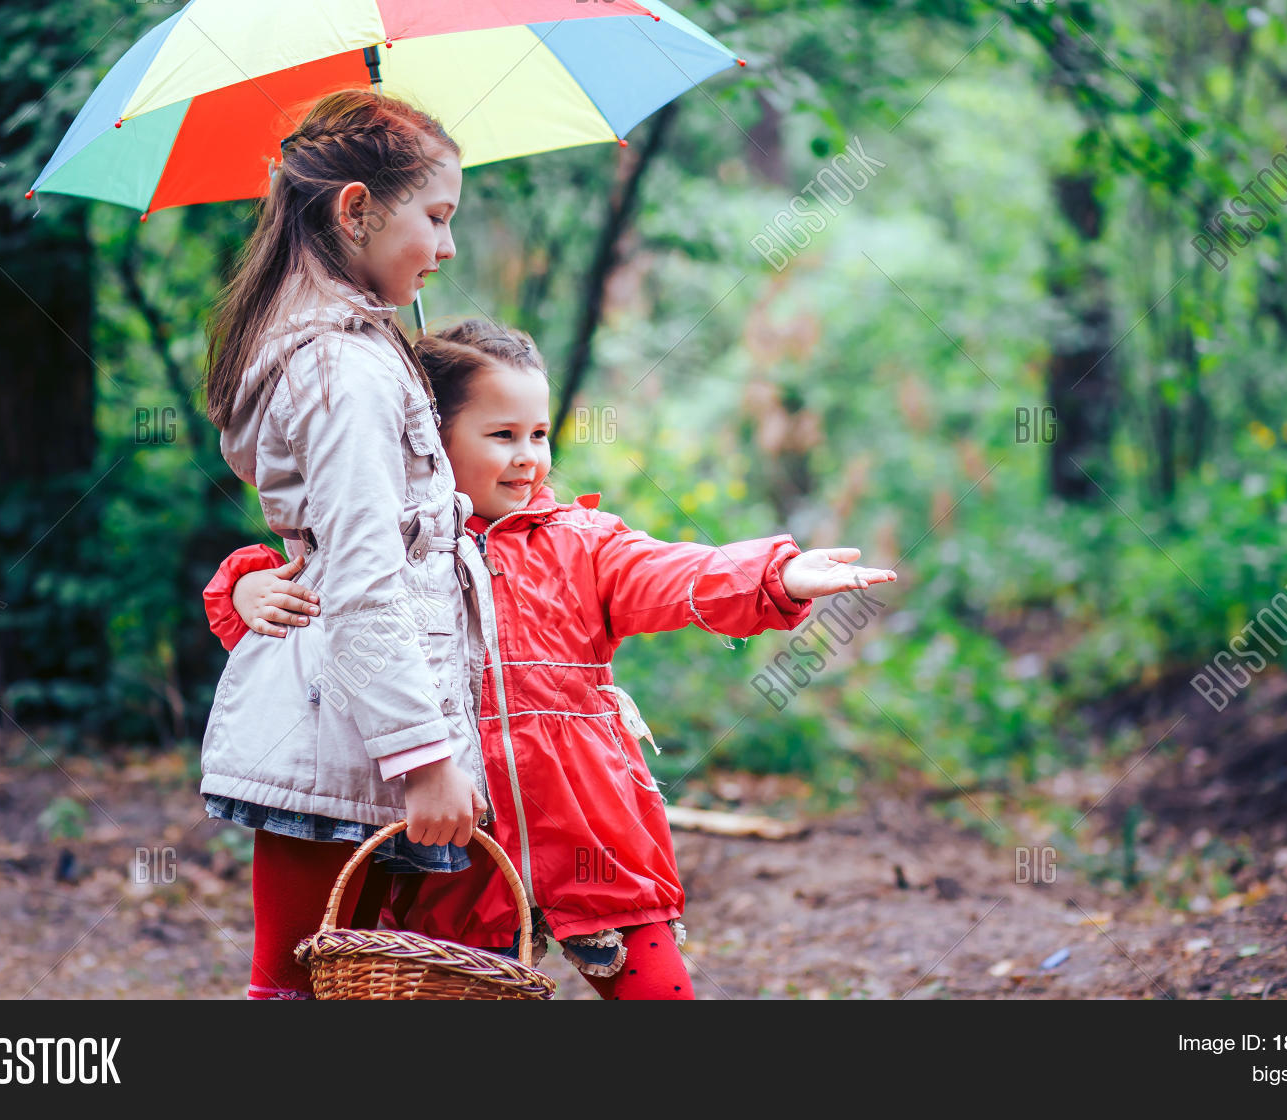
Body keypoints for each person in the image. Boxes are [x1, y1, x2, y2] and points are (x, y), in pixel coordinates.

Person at [206, 319, 898, 998]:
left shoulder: (582, 543)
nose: (528, 457)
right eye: (501, 435)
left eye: (538, 435)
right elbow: (326, 612)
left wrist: (776, 576)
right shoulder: (402, 556)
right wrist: (244, 583)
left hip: (592, 830)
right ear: (428, 441)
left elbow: (674, 574)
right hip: (464, 854)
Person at [200, 89, 487, 1000]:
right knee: (300, 991)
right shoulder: (344, 369)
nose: (446, 248)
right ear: (355, 210)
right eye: (435, 218)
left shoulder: (347, 350)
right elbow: (364, 579)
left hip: (345, 729)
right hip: (347, 737)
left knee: (339, 987)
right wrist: (427, 759)